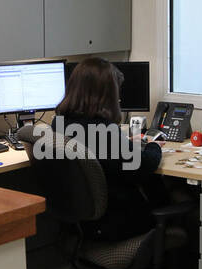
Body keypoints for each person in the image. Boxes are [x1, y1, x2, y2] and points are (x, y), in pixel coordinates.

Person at [54, 58, 165, 242]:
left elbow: (101, 147)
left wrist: (126, 142)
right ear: (106, 97)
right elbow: (145, 164)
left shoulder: (59, 124)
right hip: (117, 222)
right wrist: (152, 144)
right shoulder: (104, 132)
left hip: (82, 221)